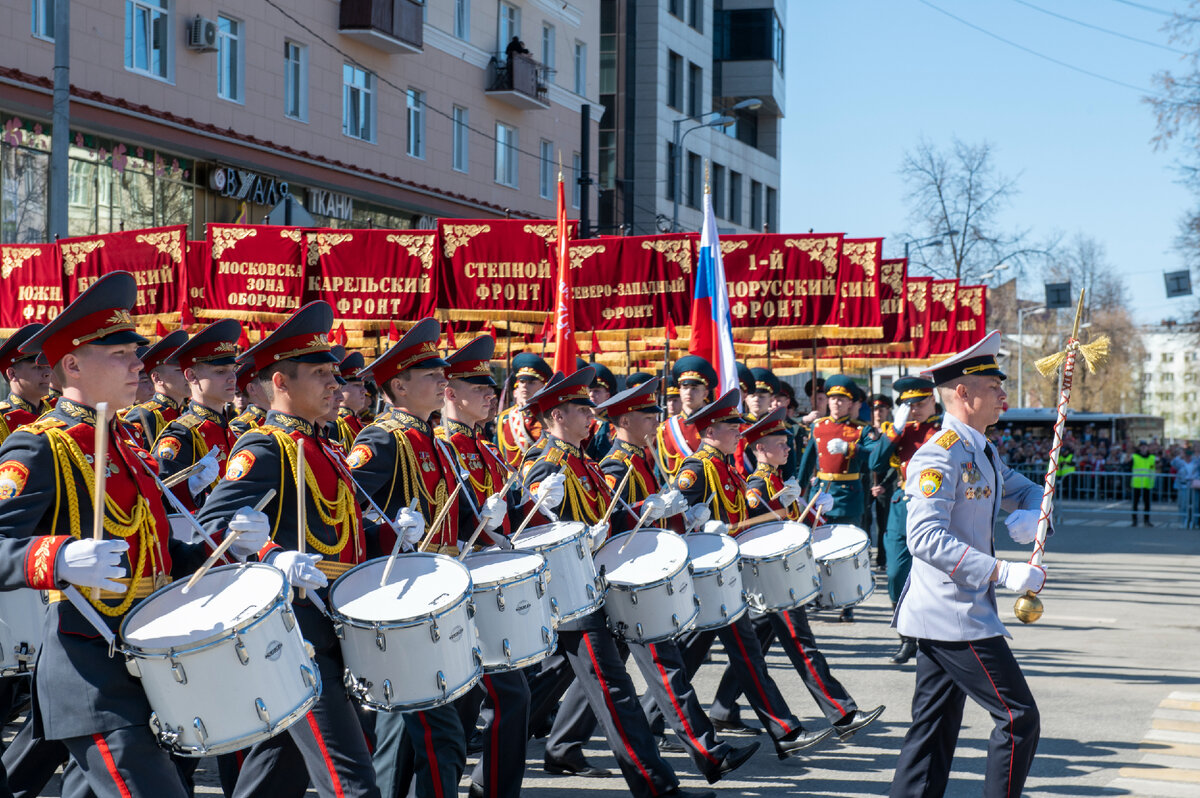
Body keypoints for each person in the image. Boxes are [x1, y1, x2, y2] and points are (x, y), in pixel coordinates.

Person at [0, 272, 266, 797]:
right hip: (90, 667)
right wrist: (57, 557)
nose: (138, 365)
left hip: (147, 661)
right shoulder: (40, 447)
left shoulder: (124, 445)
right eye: (121, 353)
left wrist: (222, 547)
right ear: (72, 365)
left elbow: (160, 556)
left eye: (134, 352)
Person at [197, 301, 377, 798]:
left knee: (279, 772)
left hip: (332, 621)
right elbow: (213, 528)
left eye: (333, 374)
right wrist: (272, 555)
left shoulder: (326, 445)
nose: (333, 385)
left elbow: (346, 534)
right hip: (293, 634)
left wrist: (396, 536)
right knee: (352, 781)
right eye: (319, 373)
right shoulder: (265, 446)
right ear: (281, 382)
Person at [540, 378, 759, 786]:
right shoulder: (557, 463)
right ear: (558, 416)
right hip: (580, 591)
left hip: (615, 582)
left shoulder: (584, 460)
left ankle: (566, 747)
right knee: (610, 685)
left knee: (610, 683)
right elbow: (533, 528)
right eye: (584, 411)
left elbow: (618, 518)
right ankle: (683, 768)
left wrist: (668, 514)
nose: (592, 417)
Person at [889, 330, 1046, 798]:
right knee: (1018, 719)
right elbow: (924, 538)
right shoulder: (939, 454)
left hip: (955, 611)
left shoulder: (984, 450)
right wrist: (1004, 572)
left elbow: (1030, 489)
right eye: (993, 384)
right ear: (963, 392)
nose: (1003, 393)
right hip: (953, 613)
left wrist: (1033, 512)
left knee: (932, 731)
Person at [667, 390, 837, 758]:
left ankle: (783, 731)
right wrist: (699, 525)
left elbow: (737, 522)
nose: (738, 432)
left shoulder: (726, 466)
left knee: (713, 658)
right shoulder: (696, 468)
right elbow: (681, 525)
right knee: (705, 659)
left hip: (727, 575)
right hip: (708, 578)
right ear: (710, 430)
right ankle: (784, 731)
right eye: (732, 426)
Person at [706, 407, 885, 743]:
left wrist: (812, 512)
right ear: (759, 448)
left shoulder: (775, 480)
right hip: (776, 577)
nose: (788, 449)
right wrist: (784, 511)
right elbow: (751, 532)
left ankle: (721, 709)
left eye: (788, 443)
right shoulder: (757, 484)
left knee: (754, 651)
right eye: (780, 443)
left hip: (775, 578)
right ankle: (842, 713)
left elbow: (793, 524)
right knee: (802, 647)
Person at [438, 335, 530, 798]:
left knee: (470, 705)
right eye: (479, 386)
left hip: (493, 587)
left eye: (491, 386)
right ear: (449, 392)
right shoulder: (443, 446)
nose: (491, 394)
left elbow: (507, 512)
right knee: (495, 699)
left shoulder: (487, 448)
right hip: (459, 589)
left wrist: (528, 501)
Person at [869, 376, 942, 665]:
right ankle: (906, 637)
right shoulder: (899, 431)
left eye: (920, 402)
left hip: (935, 507)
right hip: (904, 506)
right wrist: (895, 430)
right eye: (908, 404)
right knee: (898, 572)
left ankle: (930, 637)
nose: (914, 409)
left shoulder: (943, 429)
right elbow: (875, 463)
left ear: (932, 400)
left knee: (934, 574)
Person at [797, 374, 882, 621]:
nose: (835, 403)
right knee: (816, 547)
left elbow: (875, 456)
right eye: (832, 398)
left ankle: (848, 603)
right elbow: (807, 461)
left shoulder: (860, 430)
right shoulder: (818, 426)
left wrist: (851, 448)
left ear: (850, 403)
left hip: (848, 494)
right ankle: (817, 595)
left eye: (841, 399)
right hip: (821, 493)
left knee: (847, 550)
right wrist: (799, 488)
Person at [154, 319, 242, 511]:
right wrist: (192, 489)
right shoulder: (181, 434)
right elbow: (159, 498)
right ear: (192, 376)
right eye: (220, 371)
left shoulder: (234, 432)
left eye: (233, 370)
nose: (232, 378)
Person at [122, 329, 189, 449]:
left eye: (188, 370)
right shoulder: (144, 415)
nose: (187, 376)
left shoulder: (183, 412)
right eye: (179, 370)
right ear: (157, 378)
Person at [655, 356, 716, 479]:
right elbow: (660, 472)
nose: (688, 392)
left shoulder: (715, 425)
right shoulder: (666, 428)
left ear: (705, 393)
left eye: (694, 388)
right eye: (685, 387)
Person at [496, 353, 552, 468]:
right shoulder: (505, 418)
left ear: (543, 386)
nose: (525, 386)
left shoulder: (551, 417)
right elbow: (500, 455)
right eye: (522, 382)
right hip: (513, 482)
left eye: (531, 382)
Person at [0, 325, 52, 443]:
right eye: (37, 367)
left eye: (48, 366)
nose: (48, 373)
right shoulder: (2, 419)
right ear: (12, 374)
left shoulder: (55, 410)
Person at [865, 393, 896, 569]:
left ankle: (882, 560)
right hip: (867, 482)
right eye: (875, 409)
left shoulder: (892, 431)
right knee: (865, 521)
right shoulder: (866, 431)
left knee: (884, 524)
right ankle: (867, 555)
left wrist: (883, 485)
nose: (878, 413)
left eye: (881, 409)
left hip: (886, 483)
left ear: (888, 411)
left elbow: (895, 463)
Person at [332, 347, 368, 450]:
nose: (364, 391)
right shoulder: (334, 425)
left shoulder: (358, 423)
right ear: (340, 387)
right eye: (357, 385)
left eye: (363, 385)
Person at [1131, 440, 1156, 527]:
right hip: (1137, 483)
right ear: (1139, 447)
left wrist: (1152, 482)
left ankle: (1147, 520)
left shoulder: (1152, 457)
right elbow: (1128, 465)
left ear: (1147, 447)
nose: (1143, 447)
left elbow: (1153, 469)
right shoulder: (1134, 456)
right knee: (1135, 503)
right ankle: (1134, 520)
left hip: (1147, 484)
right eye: (1141, 446)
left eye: (1145, 446)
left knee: (1147, 503)